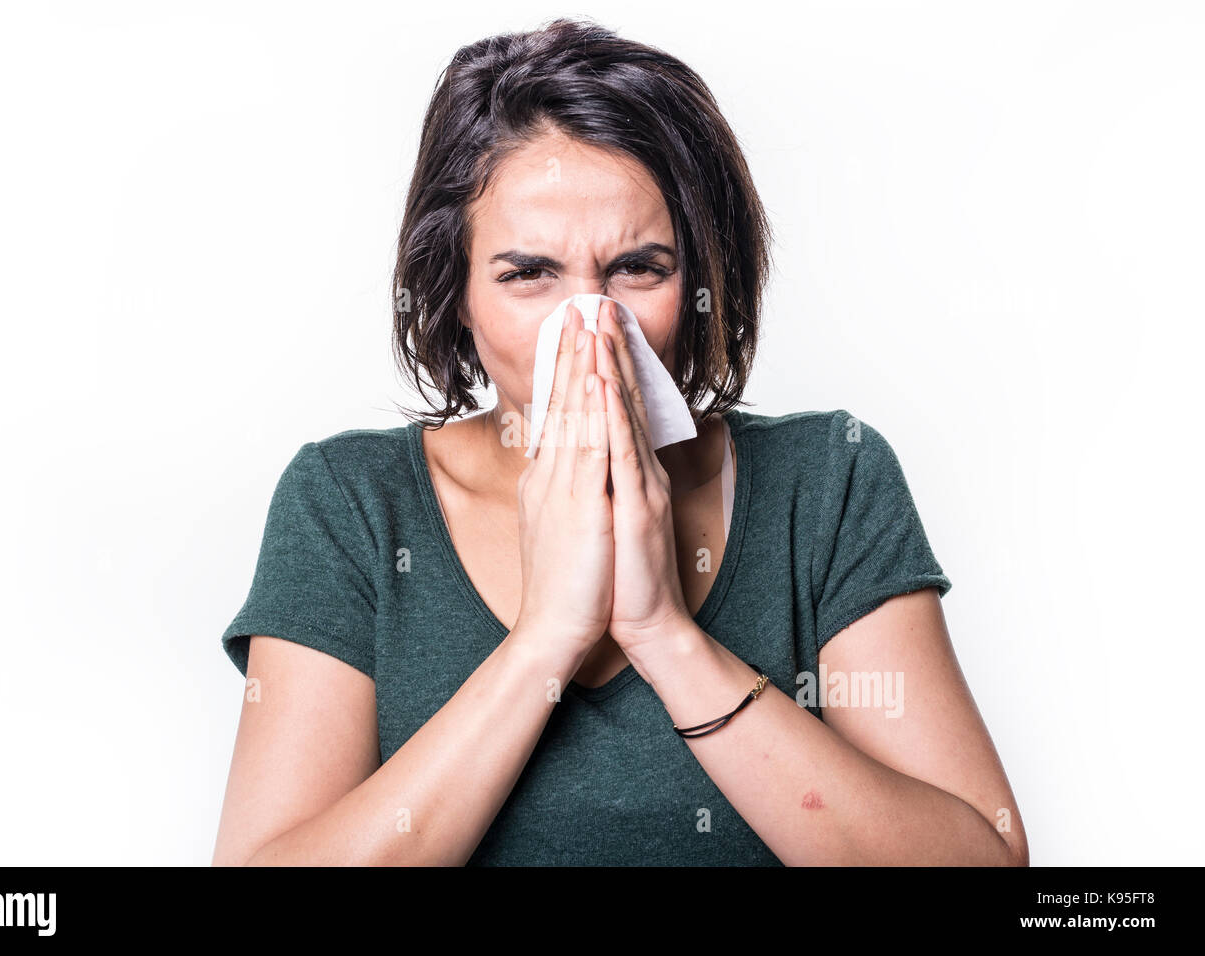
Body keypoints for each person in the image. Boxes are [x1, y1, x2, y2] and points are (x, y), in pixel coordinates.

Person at [212, 17, 1028, 866]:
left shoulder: (828, 480)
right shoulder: (350, 503)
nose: (593, 325)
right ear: (456, 293)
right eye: (528, 274)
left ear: (705, 279)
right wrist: (544, 643)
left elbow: (988, 863)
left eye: (640, 268)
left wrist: (665, 635)